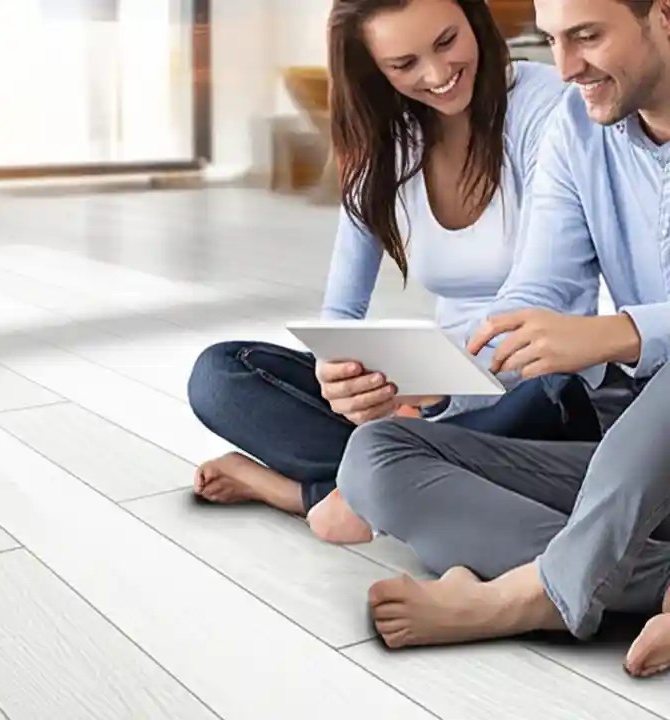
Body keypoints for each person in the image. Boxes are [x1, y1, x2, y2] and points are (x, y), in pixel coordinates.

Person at [338, 0, 670, 677]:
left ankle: (536, 592)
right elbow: (537, 291)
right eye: (552, 40)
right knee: (376, 455)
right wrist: (439, 373)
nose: (567, 67)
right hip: (643, 454)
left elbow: (607, 333)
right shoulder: (579, 130)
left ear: (662, 15)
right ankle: (640, 579)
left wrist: (621, 332)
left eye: (588, 36)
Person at [186, 0, 600, 542]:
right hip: (424, 396)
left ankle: (309, 491)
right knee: (220, 374)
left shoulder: (548, 111)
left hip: (531, 392)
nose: (437, 74)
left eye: (448, 41)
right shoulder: (388, 141)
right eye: (404, 64)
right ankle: (384, 477)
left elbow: (540, 304)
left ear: (473, 19)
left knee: (543, 401)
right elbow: (341, 312)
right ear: (374, 69)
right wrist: (343, 383)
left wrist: (429, 397)